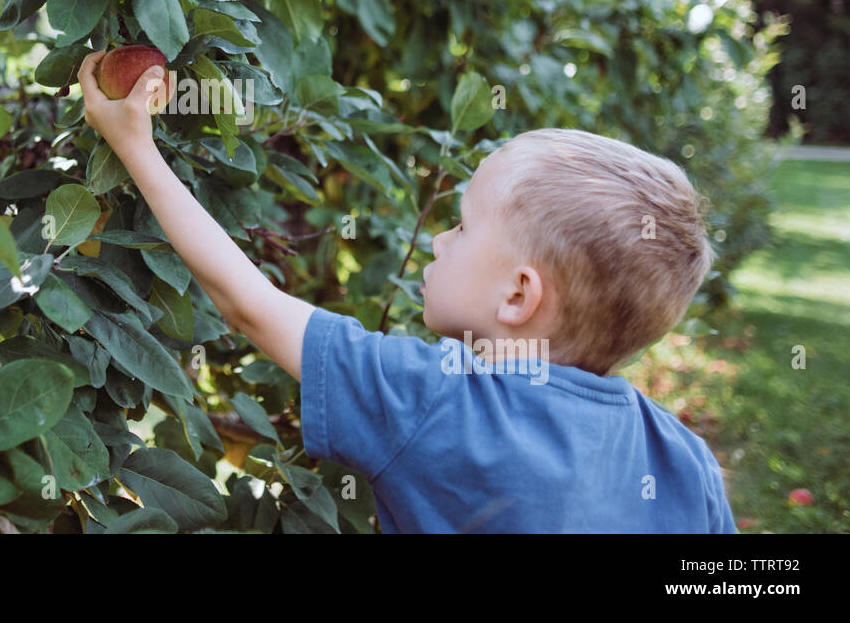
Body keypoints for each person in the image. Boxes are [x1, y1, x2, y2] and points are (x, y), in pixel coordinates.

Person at [77, 52, 737, 533]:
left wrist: (135, 145)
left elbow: (248, 302)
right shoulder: (684, 458)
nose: (437, 241)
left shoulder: (437, 398)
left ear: (518, 296)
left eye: (462, 225)